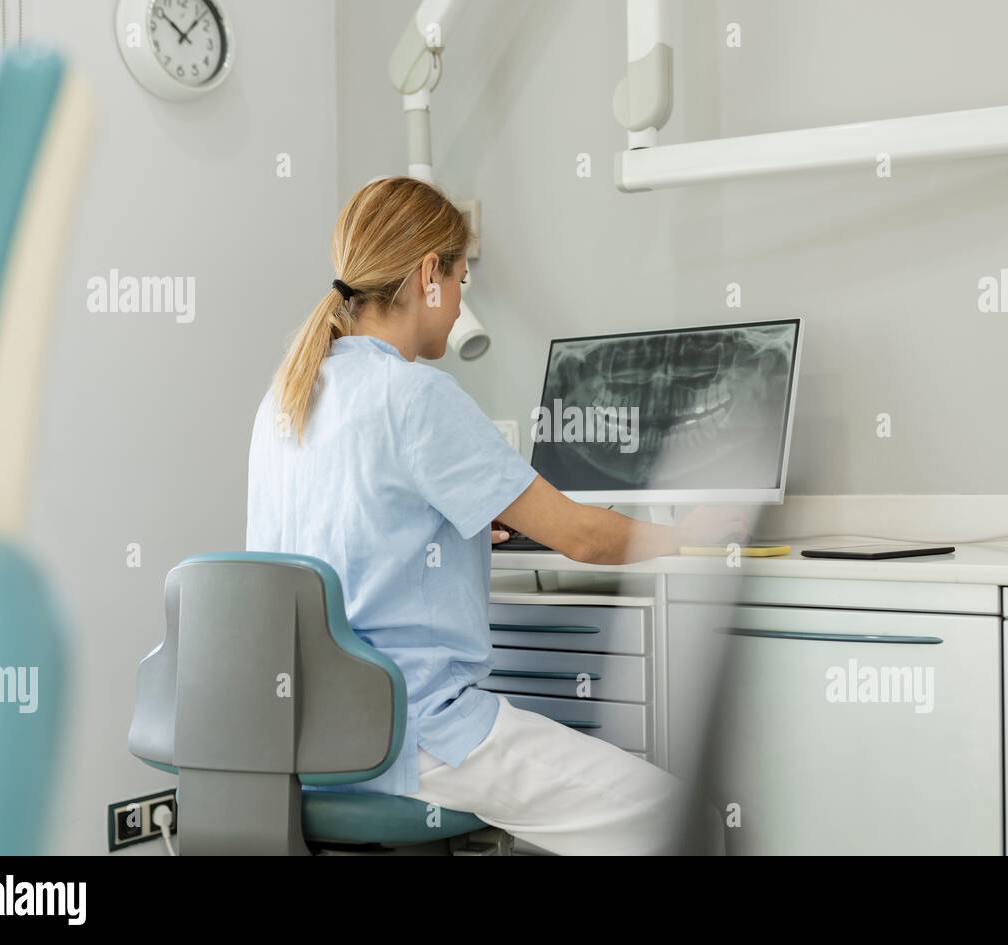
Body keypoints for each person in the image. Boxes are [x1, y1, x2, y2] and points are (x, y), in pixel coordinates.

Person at [247, 176, 740, 854]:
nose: (457, 304)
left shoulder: (289, 394)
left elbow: (348, 533)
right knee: (691, 825)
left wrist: (456, 525)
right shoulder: (416, 394)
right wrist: (685, 536)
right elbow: (584, 537)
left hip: (303, 745)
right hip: (416, 738)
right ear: (428, 274)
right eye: (459, 280)